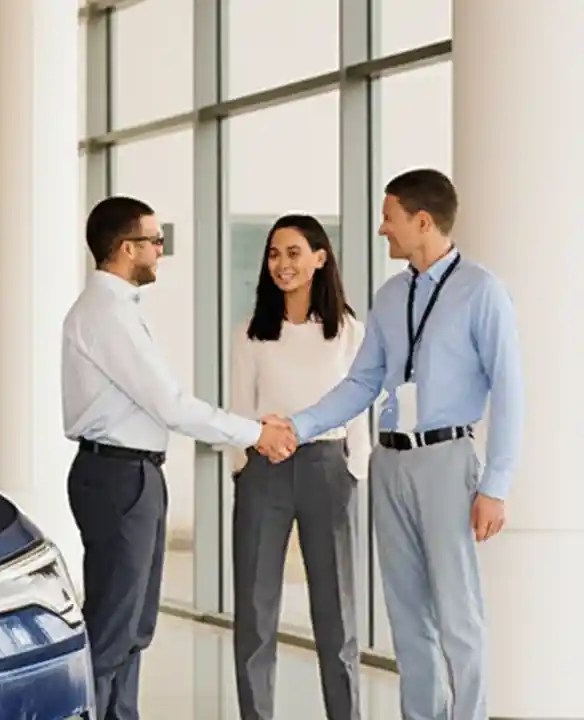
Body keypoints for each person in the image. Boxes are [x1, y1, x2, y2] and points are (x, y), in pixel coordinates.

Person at [281, 169, 523, 720]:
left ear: (422, 220)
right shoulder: (389, 297)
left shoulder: (481, 291)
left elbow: (510, 390)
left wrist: (496, 486)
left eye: (388, 217)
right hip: (390, 463)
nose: (381, 229)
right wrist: (300, 424)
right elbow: (363, 383)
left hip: (447, 461)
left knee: (459, 617)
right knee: (407, 614)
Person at [61, 196, 296, 720]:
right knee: (114, 626)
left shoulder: (117, 309)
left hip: (133, 473)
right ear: (127, 249)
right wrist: (255, 432)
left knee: (135, 625)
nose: (161, 251)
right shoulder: (106, 315)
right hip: (117, 474)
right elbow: (170, 405)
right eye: (155, 240)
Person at [227, 214, 368, 720]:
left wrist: (355, 468)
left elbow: (360, 401)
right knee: (256, 615)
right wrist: (244, 464)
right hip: (263, 471)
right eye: (273, 254)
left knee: (336, 615)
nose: (282, 264)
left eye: (292, 253)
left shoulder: (349, 330)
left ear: (319, 258)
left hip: (328, 469)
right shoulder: (248, 332)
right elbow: (241, 405)